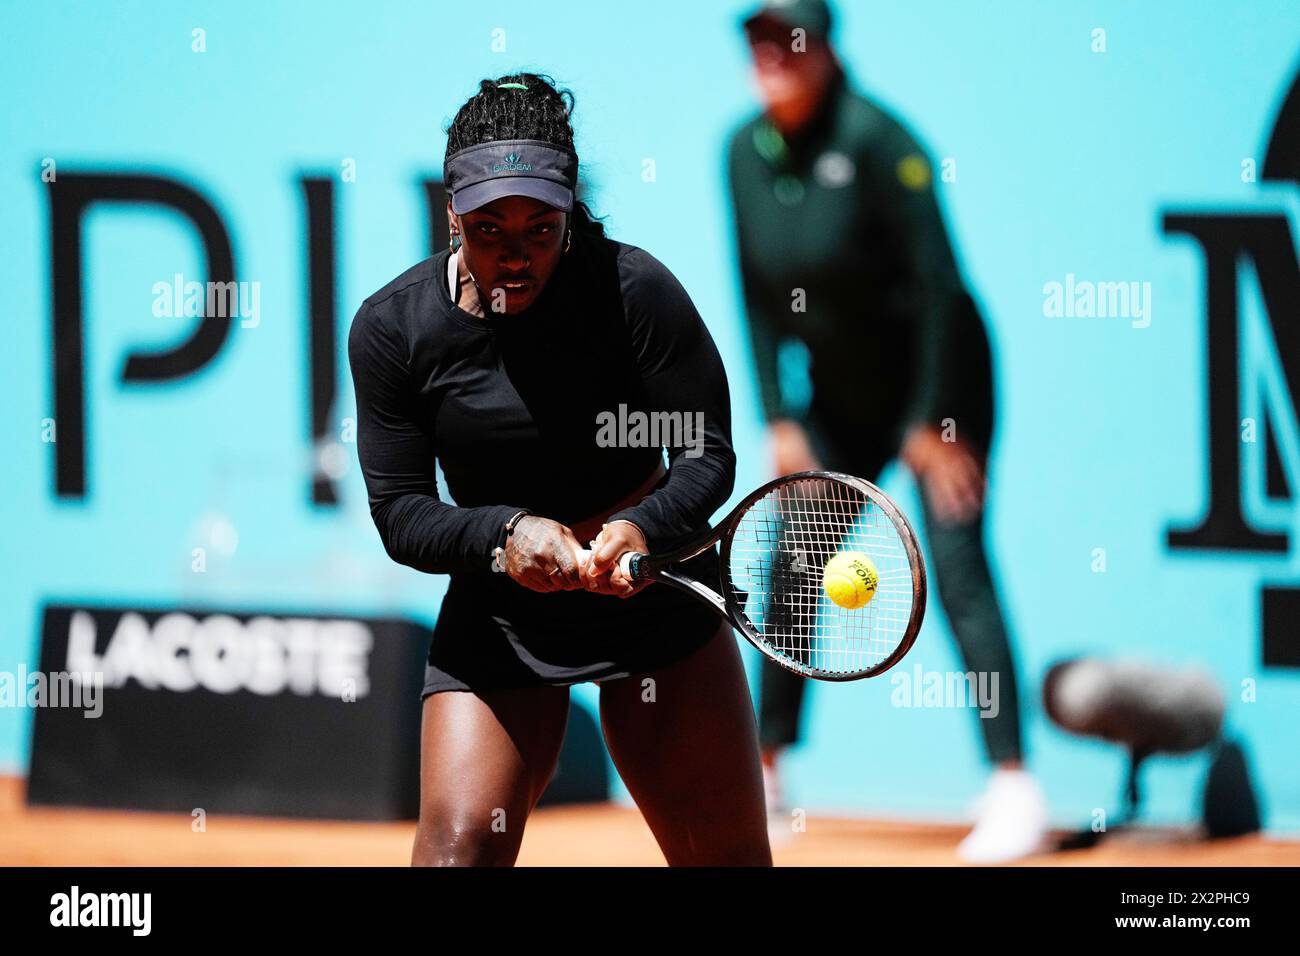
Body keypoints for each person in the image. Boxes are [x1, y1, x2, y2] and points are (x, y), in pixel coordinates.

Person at [348, 72, 771, 866]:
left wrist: (641, 527)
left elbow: (705, 450)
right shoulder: (392, 330)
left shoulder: (635, 292)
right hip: (502, 612)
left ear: (571, 214)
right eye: (488, 229)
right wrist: (505, 536)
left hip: (656, 598)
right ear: (451, 214)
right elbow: (402, 513)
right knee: (456, 853)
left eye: (540, 230)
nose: (515, 257)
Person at [726, 0, 1048, 863]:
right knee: (792, 562)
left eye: (788, 38)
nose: (770, 55)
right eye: (756, 38)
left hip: (942, 388)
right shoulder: (741, 152)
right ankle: (762, 774)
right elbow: (757, 296)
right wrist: (779, 415)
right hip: (839, 398)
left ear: (827, 50)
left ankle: (1015, 787)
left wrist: (929, 423)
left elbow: (943, 287)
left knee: (955, 561)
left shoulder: (882, 142)